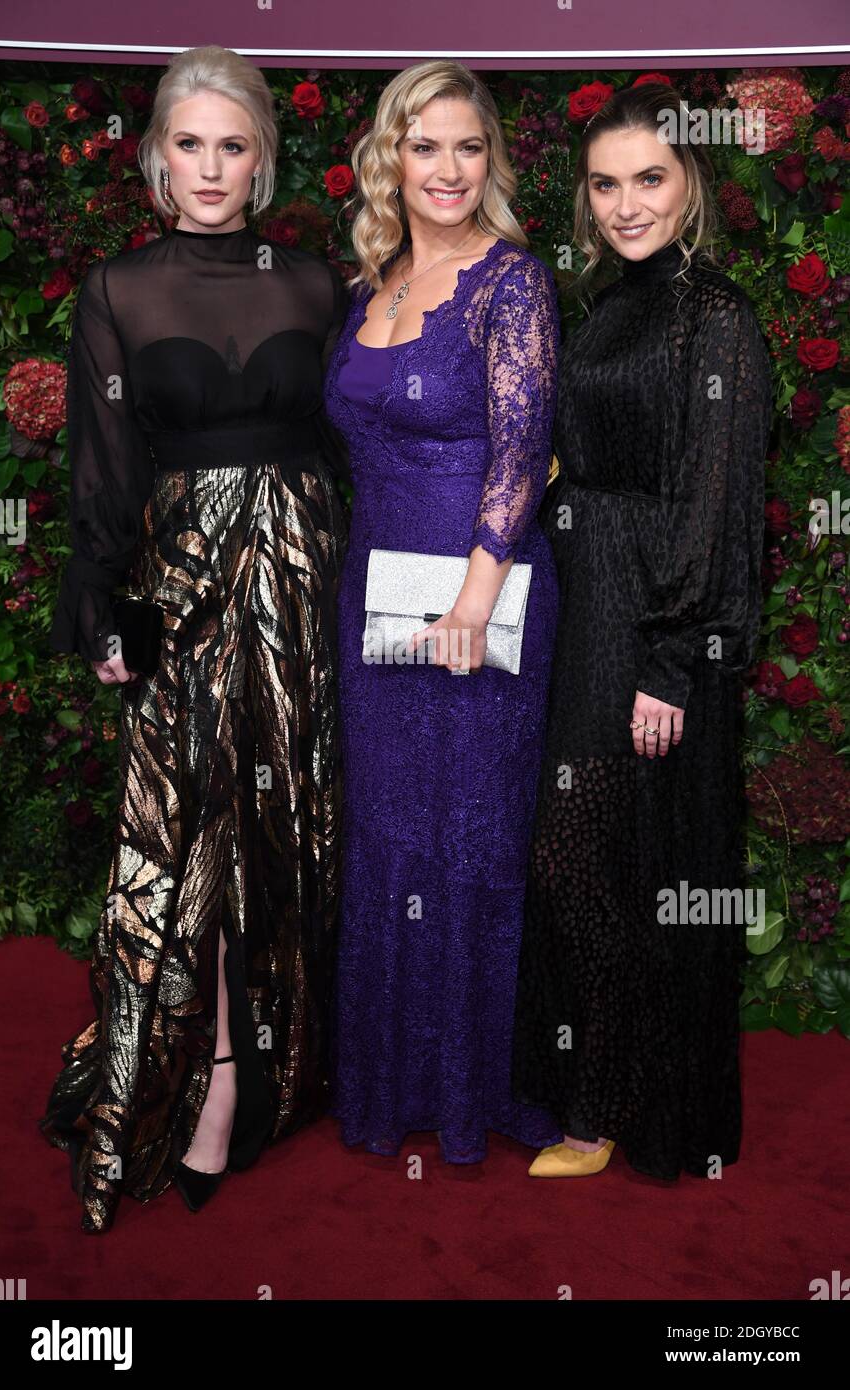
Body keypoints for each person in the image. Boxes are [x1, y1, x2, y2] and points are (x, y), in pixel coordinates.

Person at [39, 45, 349, 1233]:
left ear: (260, 158)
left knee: (278, 824)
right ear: (156, 158)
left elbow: (353, 443)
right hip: (178, 582)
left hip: (301, 578)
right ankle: (209, 1065)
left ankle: (269, 1059)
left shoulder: (315, 284)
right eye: (189, 144)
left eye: (233, 145)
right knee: (186, 826)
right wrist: (106, 597)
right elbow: (104, 466)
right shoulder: (116, 291)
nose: (210, 168)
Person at [512, 83, 774, 1179]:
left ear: (691, 184)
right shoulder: (602, 299)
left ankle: (614, 1106)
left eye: (649, 179)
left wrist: (673, 659)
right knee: (588, 860)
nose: (625, 204)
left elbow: (716, 505)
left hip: (652, 619)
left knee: (595, 862)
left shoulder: (713, 317)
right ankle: (590, 1082)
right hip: (583, 603)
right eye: (605, 182)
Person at [323, 60, 563, 1163]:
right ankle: (388, 1083)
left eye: (469, 147)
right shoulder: (368, 282)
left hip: (480, 594)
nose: (449, 169)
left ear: (490, 161)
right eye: (425, 146)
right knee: (387, 831)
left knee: (470, 833)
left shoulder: (510, 281)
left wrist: (474, 596)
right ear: (391, 159)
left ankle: (465, 1092)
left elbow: (522, 444)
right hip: (375, 596)